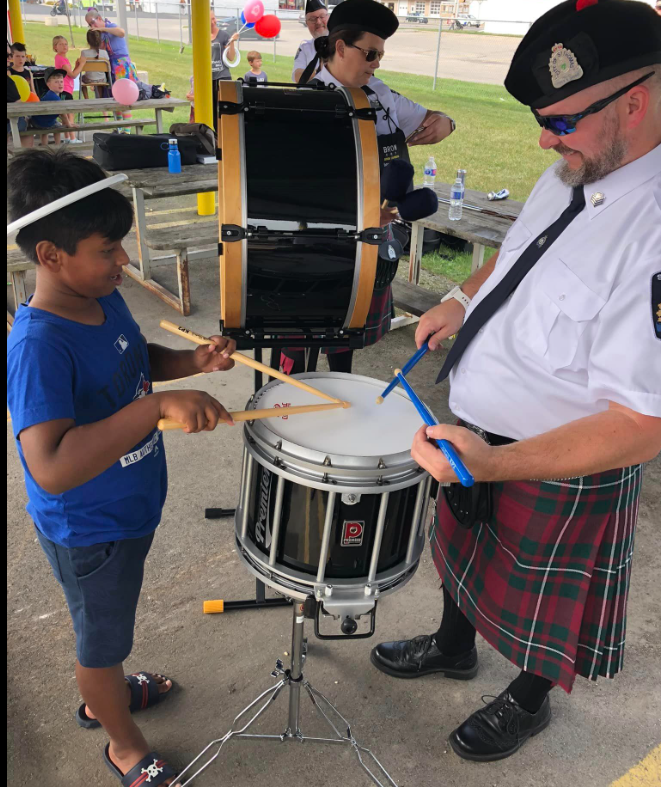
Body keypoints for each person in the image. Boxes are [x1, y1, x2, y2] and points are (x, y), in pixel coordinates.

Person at [371, 0, 661, 763]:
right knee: (461, 551)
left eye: (558, 120)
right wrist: (458, 299)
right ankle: (453, 643)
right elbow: (522, 252)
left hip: (558, 457)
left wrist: (491, 461)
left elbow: (642, 421)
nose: (543, 137)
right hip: (477, 423)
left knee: (544, 600)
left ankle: (528, 699)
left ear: (631, 102)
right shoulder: (580, 159)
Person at [7, 148, 237, 787]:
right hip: (89, 530)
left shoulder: (100, 296)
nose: (125, 261)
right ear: (51, 255)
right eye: (109, 249)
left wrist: (189, 366)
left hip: (128, 509)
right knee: (100, 642)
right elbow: (49, 466)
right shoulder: (38, 346)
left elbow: (133, 362)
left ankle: (105, 689)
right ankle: (120, 739)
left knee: (110, 626)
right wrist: (156, 408)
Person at [281, 0, 455, 375]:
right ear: (340, 47)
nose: (377, 63)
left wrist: (446, 122)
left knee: (347, 331)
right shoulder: (305, 104)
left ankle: (340, 384)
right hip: (317, 242)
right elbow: (290, 190)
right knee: (300, 337)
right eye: (371, 53)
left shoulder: (380, 94)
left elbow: (431, 118)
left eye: (380, 55)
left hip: (372, 237)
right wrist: (353, 214)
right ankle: (286, 405)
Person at [52, 35, 86, 143]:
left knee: (65, 114)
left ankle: (67, 137)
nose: (64, 46)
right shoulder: (60, 59)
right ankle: (72, 137)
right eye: (60, 44)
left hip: (67, 89)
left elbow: (70, 74)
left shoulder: (63, 59)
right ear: (55, 47)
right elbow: (73, 75)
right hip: (65, 89)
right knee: (70, 114)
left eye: (66, 44)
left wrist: (76, 66)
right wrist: (82, 65)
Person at [30, 67, 72, 147]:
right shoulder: (55, 98)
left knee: (53, 125)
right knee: (58, 128)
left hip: (38, 120)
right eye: (56, 82)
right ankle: (57, 145)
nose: (60, 84)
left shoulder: (50, 94)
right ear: (48, 84)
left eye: (61, 81)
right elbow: (63, 114)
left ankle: (45, 145)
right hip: (42, 122)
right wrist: (69, 125)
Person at [292, 0, 329, 83]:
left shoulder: (341, 43)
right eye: (312, 19)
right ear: (307, 23)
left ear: (328, 18)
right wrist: (319, 70)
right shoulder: (305, 47)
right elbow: (297, 77)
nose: (318, 22)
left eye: (322, 16)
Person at [7, 44, 33, 149]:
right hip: (13, 120)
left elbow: (33, 93)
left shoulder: (27, 72)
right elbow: (18, 105)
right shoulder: (9, 79)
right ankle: (27, 161)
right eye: (9, 55)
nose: (9, 58)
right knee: (25, 129)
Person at [80, 29, 112, 102]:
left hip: (89, 79)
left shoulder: (84, 53)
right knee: (99, 81)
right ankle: (100, 99)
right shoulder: (104, 53)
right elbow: (108, 68)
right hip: (102, 80)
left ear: (88, 41)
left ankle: (86, 99)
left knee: (81, 79)